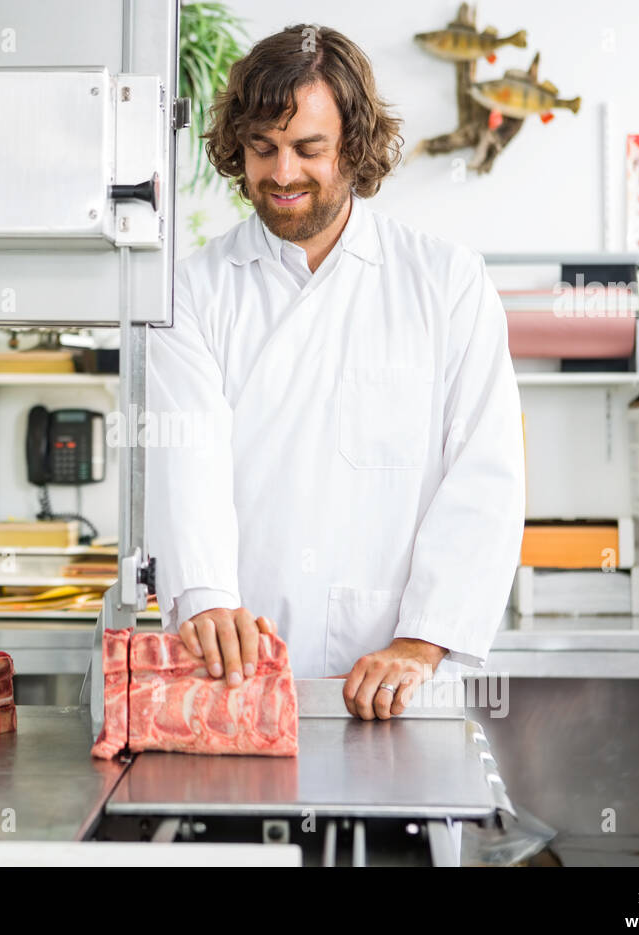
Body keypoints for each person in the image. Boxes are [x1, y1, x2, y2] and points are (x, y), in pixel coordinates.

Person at [146, 24, 526, 723]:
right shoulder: (191, 292)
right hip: (237, 675)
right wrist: (205, 597)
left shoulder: (444, 281)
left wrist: (421, 641)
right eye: (262, 149)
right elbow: (184, 456)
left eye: (307, 149)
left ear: (353, 147)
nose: (282, 173)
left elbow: (485, 473)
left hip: (396, 681)